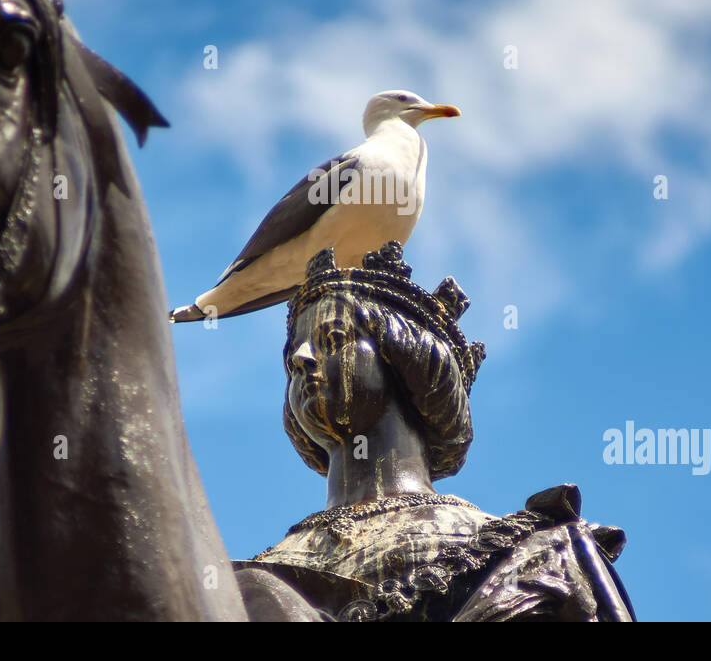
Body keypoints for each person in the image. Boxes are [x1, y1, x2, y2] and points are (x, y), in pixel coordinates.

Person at [234, 241, 635, 621]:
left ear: (408, 359)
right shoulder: (249, 580)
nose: (302, 359)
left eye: (334, 339)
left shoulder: (527, 553)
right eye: (292, 356)